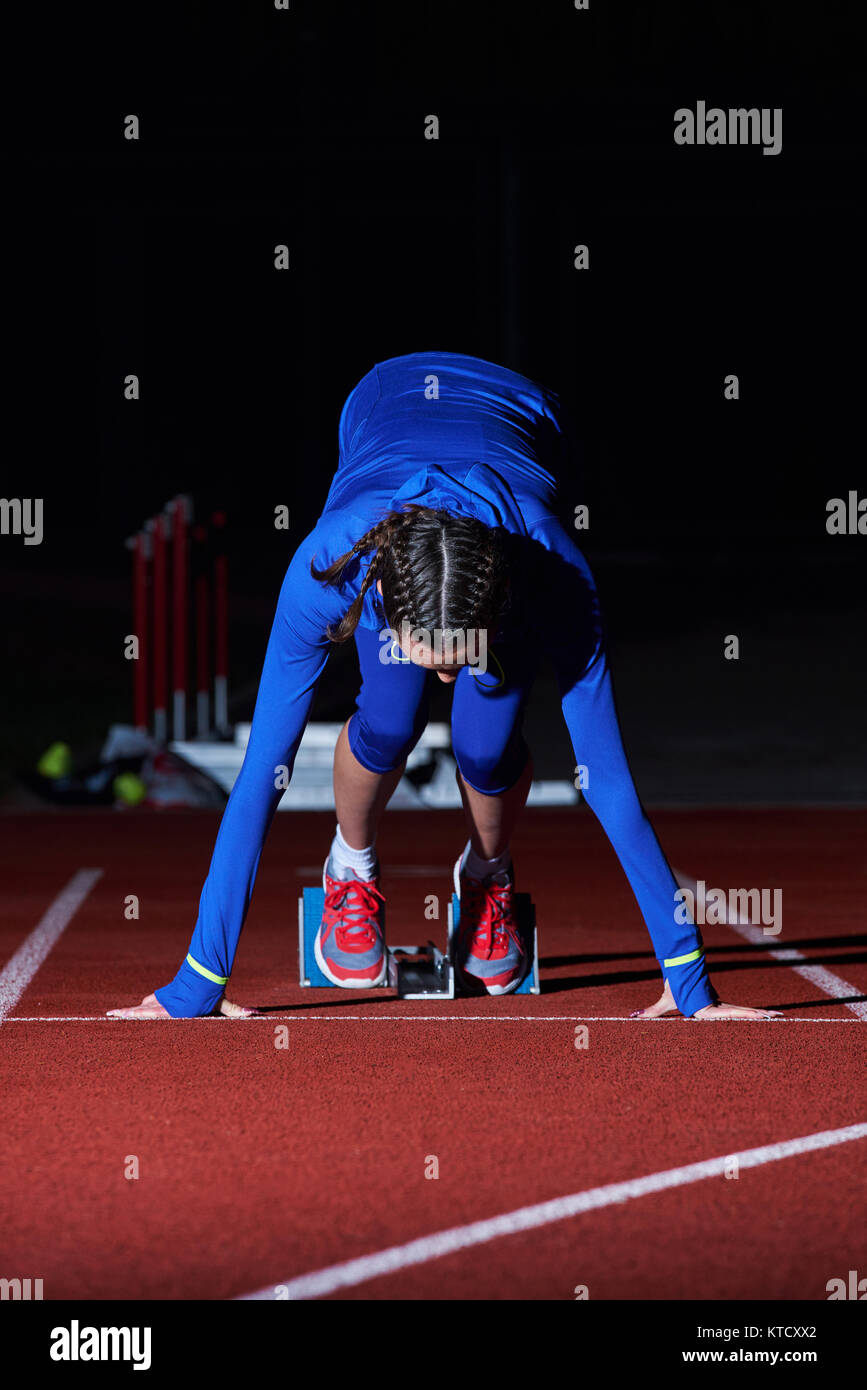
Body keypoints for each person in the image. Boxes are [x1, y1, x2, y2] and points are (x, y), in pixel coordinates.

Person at [109, 351, 778, 1021]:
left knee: (483, 746)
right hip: (379, 404)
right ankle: (351, 863)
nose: (446, 675)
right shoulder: (329, 567)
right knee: (390, 721)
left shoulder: (555, 579)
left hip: (525, 419)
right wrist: (199, 979)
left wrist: (689, 980)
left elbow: (606, 779)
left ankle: (488, 874)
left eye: (458, 657)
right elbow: (262, 772)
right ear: (384, 605)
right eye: (433, 658)